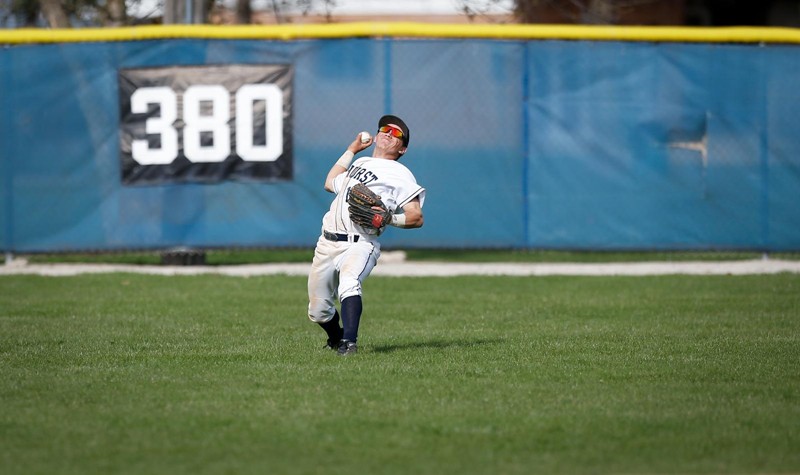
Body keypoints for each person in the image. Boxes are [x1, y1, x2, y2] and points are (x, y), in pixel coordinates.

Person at [307, 115, 425, 356]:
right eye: (384, 129)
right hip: (327, 242)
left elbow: (416, 217)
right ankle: (336, 337)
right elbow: (330, 182)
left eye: (396, 134)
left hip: (360, 243)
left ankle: (349, 342)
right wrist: (352, 149)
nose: (388, 133)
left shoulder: (400, 173)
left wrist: (390, 219)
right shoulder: (360, 162)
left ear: (403, 148)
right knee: (318, 311)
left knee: (350, 282)